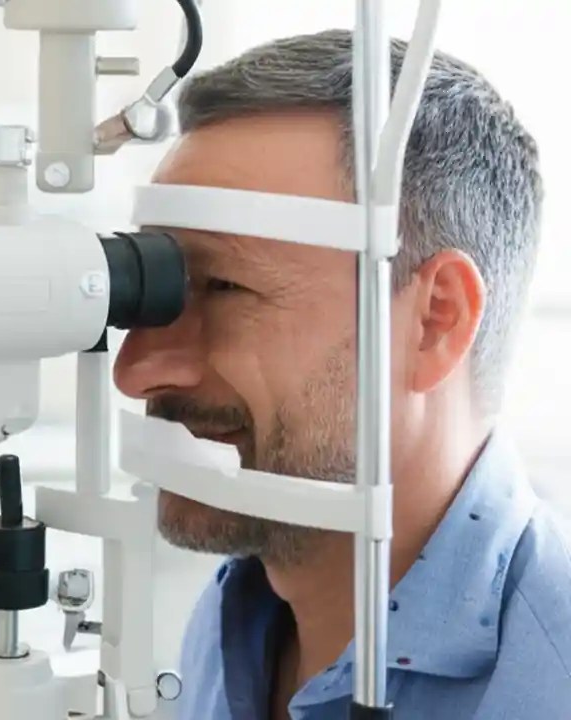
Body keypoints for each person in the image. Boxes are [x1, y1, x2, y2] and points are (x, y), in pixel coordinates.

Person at [112, 29, 571, 720]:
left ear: (434, 320)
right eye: (160, 289)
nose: (137, 370)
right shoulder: (230, 622)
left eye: (226, 288)